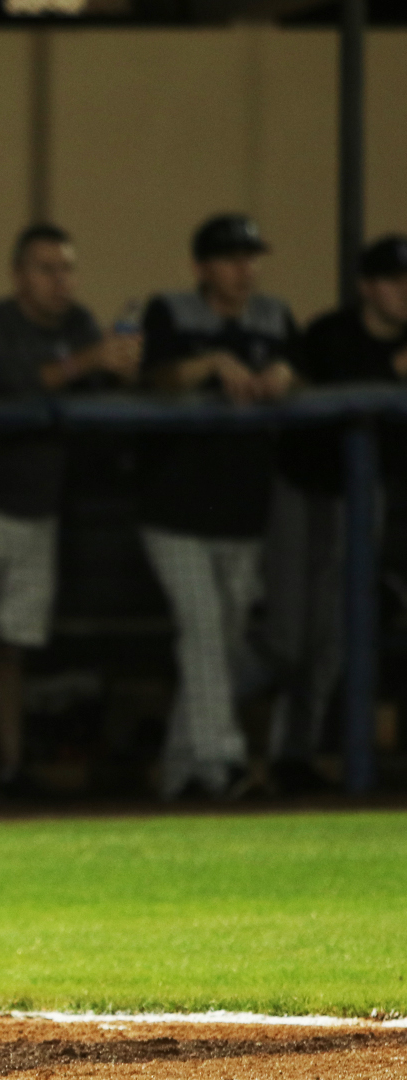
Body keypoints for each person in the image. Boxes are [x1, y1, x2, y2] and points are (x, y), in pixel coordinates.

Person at [0, 224, 140, 799]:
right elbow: (13, 382)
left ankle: (9, 767)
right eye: (45, 268)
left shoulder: (78, 325)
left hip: (37, 507)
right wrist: (88, 360)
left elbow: (94, 404)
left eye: (66, 268)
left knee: (9, 646)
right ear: (20, 275)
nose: (59, 280)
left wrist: (116, 372)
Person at [138, 213, 299, 800]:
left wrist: (286, 372)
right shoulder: (174, 311)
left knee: (221, 640)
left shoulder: (272, 315)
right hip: (174, 509)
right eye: (232, 258)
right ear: (204, 267)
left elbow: (303, 367)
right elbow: (155, 376)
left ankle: (184, 772)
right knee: (204, 632)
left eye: (251, 257)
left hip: (242, 509)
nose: (245, 269)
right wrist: (208, 363)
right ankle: (222, 761)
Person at [265, 235, 407, 792]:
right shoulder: (331, 333)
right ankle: (239, 717)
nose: (405, 292)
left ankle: (294, 754)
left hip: (363, 496)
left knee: (332, 636)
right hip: (304, 491)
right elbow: (289, 377)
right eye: (395, 281)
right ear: (367, 288)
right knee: (286, 639)